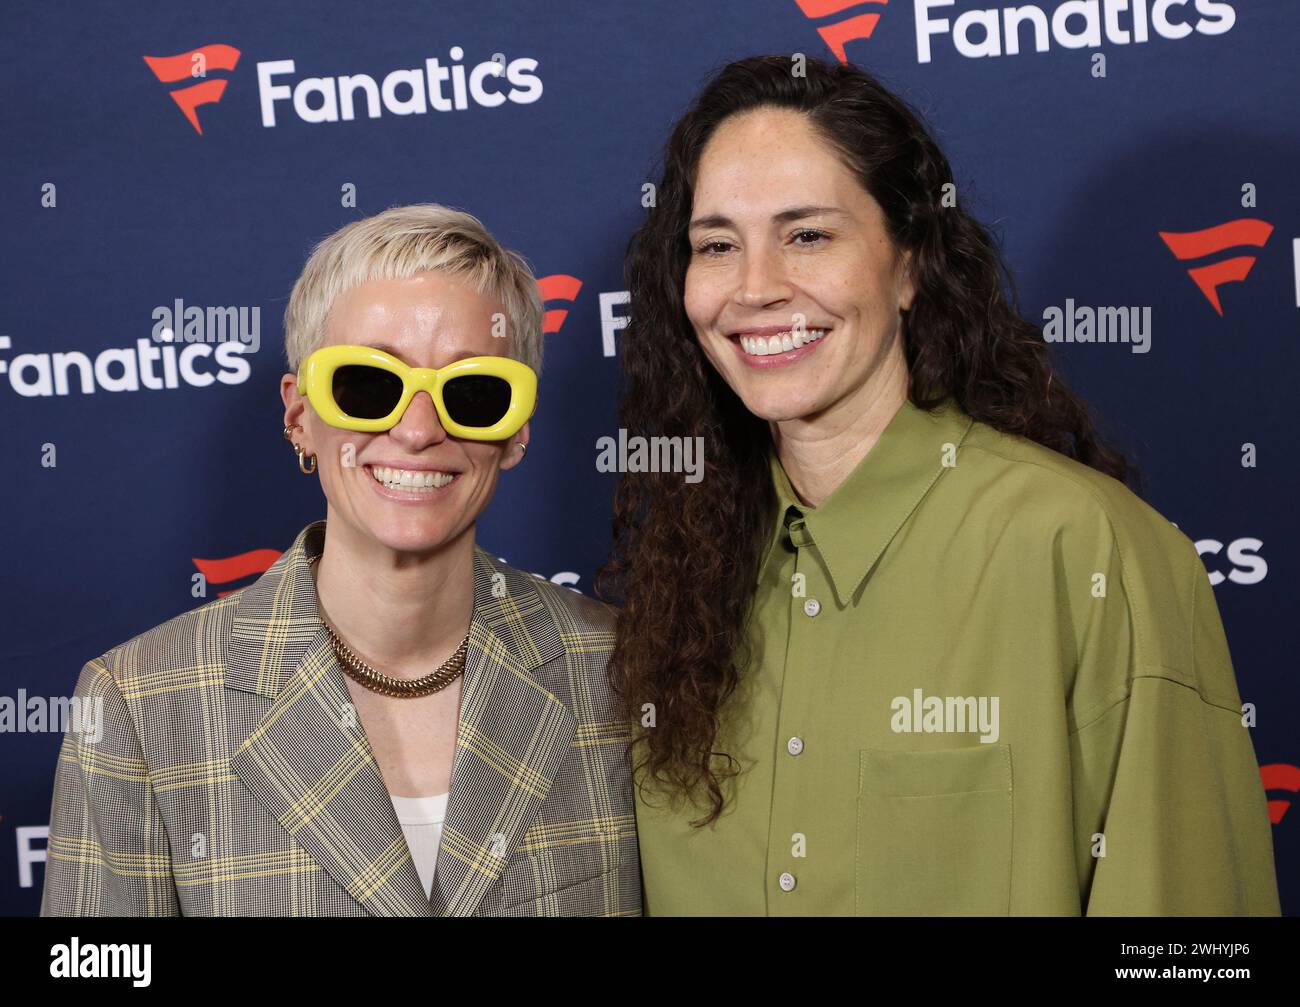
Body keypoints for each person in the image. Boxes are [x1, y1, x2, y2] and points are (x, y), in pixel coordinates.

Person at [600, 55, 1280, 916]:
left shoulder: (1085, 549)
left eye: (808, 234)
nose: (757, 287)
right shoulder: (682, 586)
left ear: (911, 263)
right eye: (716, 245)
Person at [42, 203, 640, 916]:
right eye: (368, 384)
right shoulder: (138, 706)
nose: (418, 430)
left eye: (473, 394)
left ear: (515, 433)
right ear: (301, 417)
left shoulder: (619, 671)